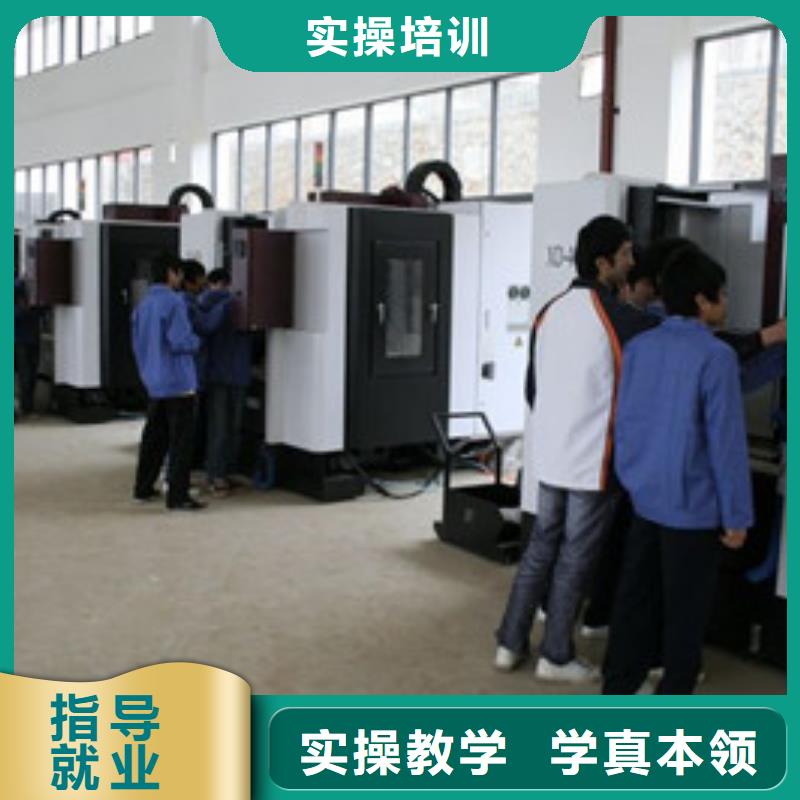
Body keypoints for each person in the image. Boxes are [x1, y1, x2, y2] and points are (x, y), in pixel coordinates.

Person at [495, 215, 657, 682]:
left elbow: (532, 388)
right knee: (575, 557)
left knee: (540, 549)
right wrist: (766, 338)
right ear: (604, 263)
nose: (632, 261)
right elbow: (679, 342)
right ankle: (556, 655)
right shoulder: (616, 317)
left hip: (550, 455)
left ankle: (509, 642)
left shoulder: (551, 310)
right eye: (626, 253)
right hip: (591, 460)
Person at [603, 243, 752, 694]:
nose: (726, 302)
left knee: (635, 600)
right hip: (693, 510)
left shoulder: (640, 346)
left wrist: (634, 479)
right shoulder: (717, 357)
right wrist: (737, 516)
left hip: (644, 499)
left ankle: (618, 688)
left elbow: (625, 421)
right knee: (685, 614)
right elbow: (726, 445)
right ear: (703, 301)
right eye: (722, 294)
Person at [131, 254, 205, 511]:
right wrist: (197, 341)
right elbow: (180, 341)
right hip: (178, 382)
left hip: (154, 380)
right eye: (179, 274)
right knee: (181, 440)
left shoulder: (144, 304)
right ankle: (178, 496)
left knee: (154, 437)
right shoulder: (174, 302)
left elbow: (137, 343)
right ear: (172, 273)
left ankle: (142, 488)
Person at [199, 268, 252, 495]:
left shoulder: (202, 303)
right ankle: (221, 474)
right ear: (227, 282)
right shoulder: (239, 304)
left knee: (218, 427)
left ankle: (216, 474)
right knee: (231, 427)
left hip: (215, 374)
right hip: (238, 373)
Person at [14, 279, 42, 418]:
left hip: (31, 338)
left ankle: (28, 407)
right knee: (25, 375)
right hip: (20, 339)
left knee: (31, 375)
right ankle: (26, 408)